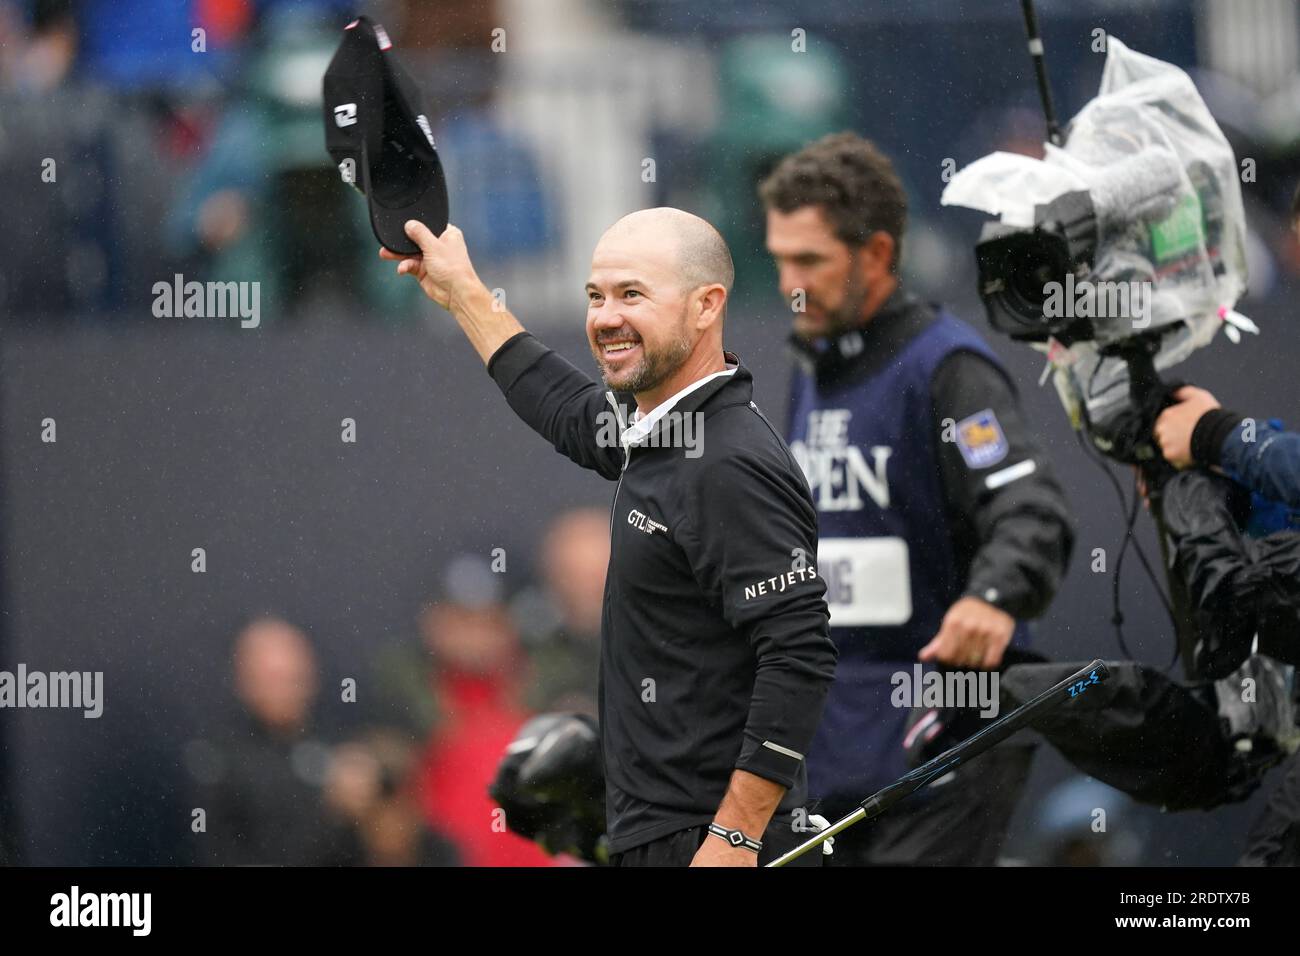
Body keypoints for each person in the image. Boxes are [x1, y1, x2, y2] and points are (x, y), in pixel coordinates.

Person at [381, 207, 837, 867]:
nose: (604, 317)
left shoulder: (728, 461)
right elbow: (566, 409)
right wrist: (463, 292)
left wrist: (736, 836)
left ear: (707, 306)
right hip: (660, 836)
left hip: (711, 842)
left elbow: (800, 655)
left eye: (632, 295)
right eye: (596, 295)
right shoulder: (663, 430)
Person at [759, 132, 1074, 865]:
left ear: (875, 254)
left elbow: (1031, 509)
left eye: (809, 261)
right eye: (779, 259)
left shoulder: (947, 369)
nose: (788, 283)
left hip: (945, 734)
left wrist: (994, 596)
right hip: (838, 741)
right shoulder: (811, 366)